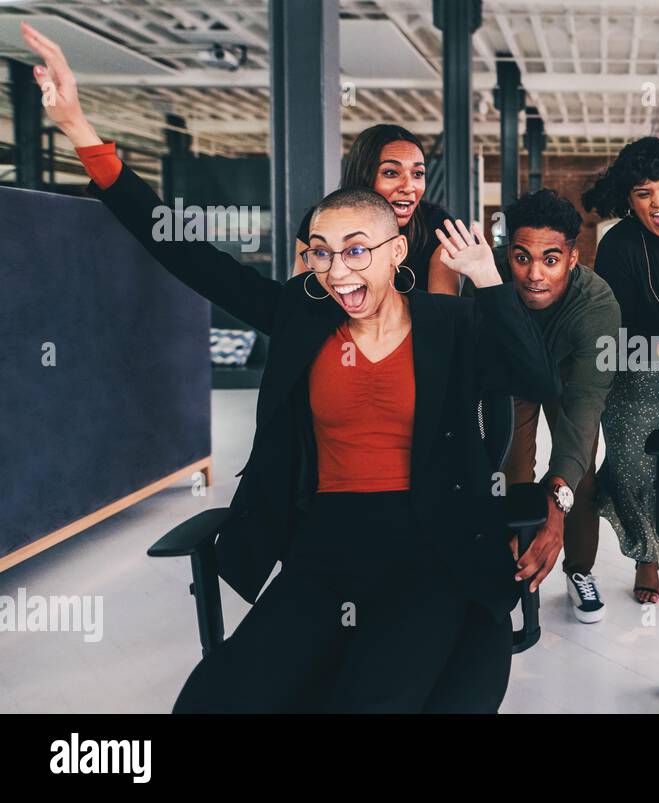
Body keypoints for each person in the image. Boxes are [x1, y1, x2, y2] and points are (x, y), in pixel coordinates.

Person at [21, 22, 561, 712]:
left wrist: (489, 280)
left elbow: (538, 381)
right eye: (321, 251)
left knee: (374, 695)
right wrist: (78, 127)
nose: (338, 269)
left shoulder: (448, 325)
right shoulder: (305, 314)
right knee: (211, 703)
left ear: (398, 254)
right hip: (325, 548)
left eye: (358, 249)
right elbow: (189, 253)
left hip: (431, 546)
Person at [495, 189, 621, 623]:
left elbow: (585, 408)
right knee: (511, 468)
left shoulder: (599, 304)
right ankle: (511, 563)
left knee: (575, 475)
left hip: (570, 376)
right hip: (513, 370)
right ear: (507, 252)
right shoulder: (490, 278)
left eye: (550, 259)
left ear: (572, 257)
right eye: (521, 257)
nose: (534, 275)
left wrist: (556, 504)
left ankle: (579, 570)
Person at [583, 137, 659, 605]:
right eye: (644, 193)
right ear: (629, 201)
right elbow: (613, 328)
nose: (658, 202)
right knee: (633, 463)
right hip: (634, 369)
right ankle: (644, 555)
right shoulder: (617, 243)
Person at [292, 124, 458, 295]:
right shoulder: (319, 221)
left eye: (418, 174)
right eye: (391, 173)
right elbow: (299, 298)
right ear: (363, 175)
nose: (409, 187)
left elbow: (444, 314)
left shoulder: (438, 225)